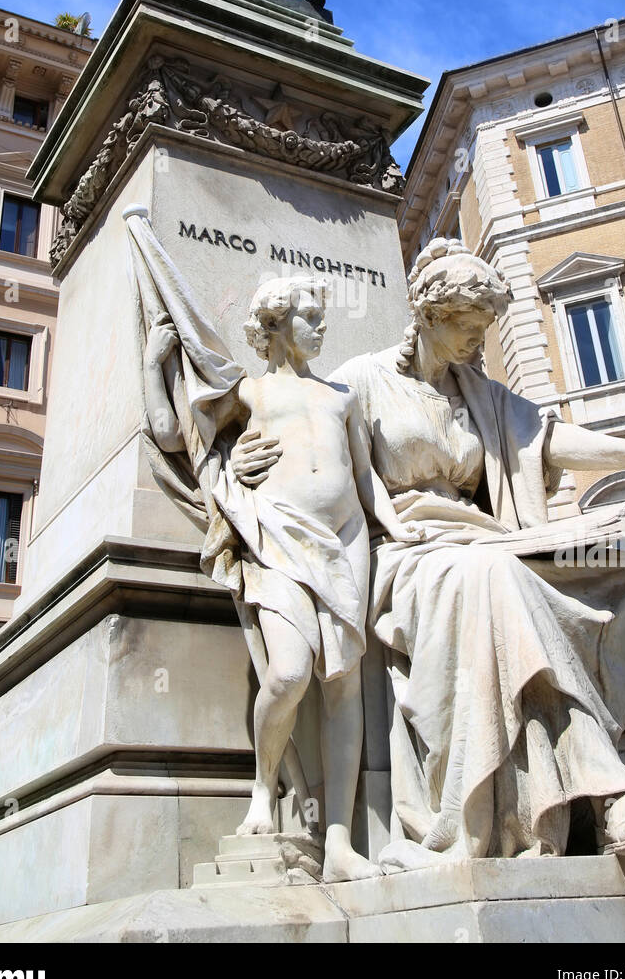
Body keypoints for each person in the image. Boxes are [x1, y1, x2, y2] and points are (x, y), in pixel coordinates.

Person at [232, 238, 625, 863]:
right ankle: (606, 795)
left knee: (610, 563)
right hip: (403, 548)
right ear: (426, 317)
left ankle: (582, 790)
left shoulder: (477, 391)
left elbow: (547, 437)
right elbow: (303, 442)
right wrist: (241, 463)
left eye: (484, 329)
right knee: (495, 575)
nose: (478, 344)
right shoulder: (360, 381)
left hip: (482, 541)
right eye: (465, 329)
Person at [142, 269, 421, 882]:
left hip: (346, 541)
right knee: (290, 671)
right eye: (309, 318)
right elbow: (174, 436)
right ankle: (264, 792)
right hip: (278, 539)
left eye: (324, 319)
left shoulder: (341, 395)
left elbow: (364, 473)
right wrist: (153, 364)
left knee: (343, 679)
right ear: (273, 326)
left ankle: (342, 841)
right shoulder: (247, 395)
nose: (322, 328)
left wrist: (395, 525)